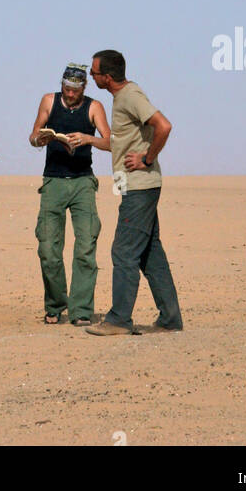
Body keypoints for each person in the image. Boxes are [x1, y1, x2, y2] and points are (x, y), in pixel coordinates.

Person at [85, 49, 183, 337]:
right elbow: (120, 144)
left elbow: (163, 126)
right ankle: (170, 319)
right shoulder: (121, 99)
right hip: (135, 187)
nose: (91, 78)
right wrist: (89, 140)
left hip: (140, 187)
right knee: (150, 254)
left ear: (107, 76)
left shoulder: (130, 96)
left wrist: (147, 158)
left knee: (124, 251)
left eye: (94, 73)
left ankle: (119, 320)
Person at [28, 64, 111, 325]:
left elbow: (110, 142)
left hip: (83, 183)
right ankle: (54, 306)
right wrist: (40, 139)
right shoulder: (49, 101)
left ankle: (82, 311)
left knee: (86, 247)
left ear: (83, 88)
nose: (70, 93)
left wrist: (88, 139)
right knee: (48, 248)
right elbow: (33, 135)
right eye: (66, 88)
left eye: (75, 90)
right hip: (53, 182)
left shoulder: (94, 106)